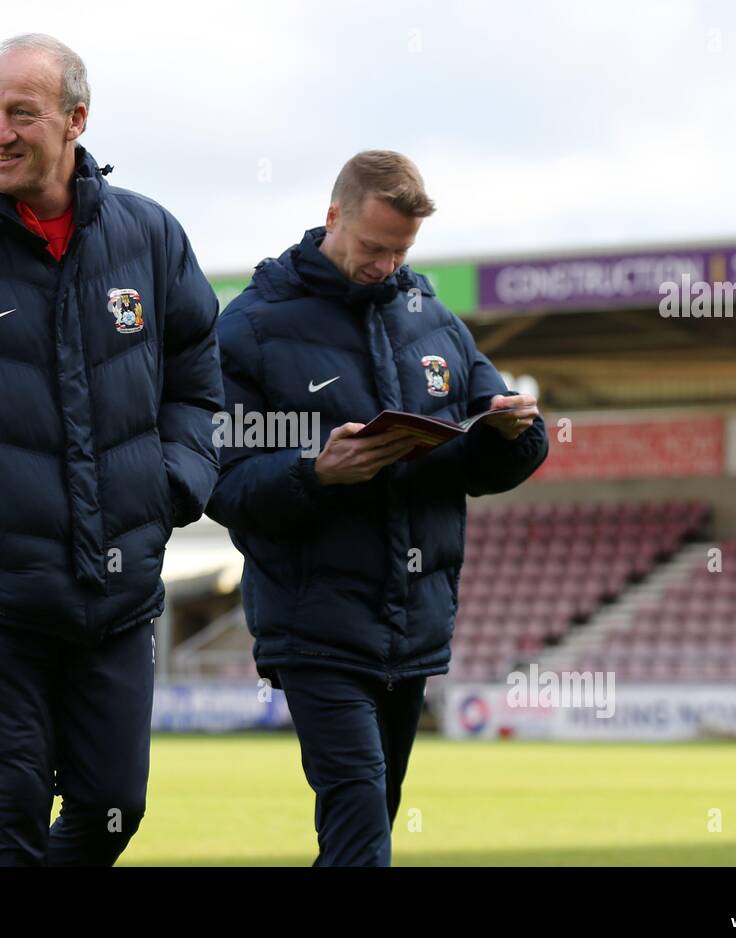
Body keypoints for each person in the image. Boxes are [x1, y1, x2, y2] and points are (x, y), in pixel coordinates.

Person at [0, 33, 222, 866]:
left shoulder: (151, 238)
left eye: (22, 112)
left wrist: (170, 484)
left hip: (119, 588)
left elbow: (201, 378)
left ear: (76, 121)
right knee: (8, 818)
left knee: (115, 811)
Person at [207, 150, 548, 866]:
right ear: (334, 217)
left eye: (401, 251)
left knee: (370, 822)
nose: (386, 265)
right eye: (372, 247)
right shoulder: (252, 327)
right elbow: (222, 484)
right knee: (361, 820)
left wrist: (515, 431)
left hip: (412, 622)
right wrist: (314, 472)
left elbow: (495, 451)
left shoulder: (432, 319)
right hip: (315, 622)